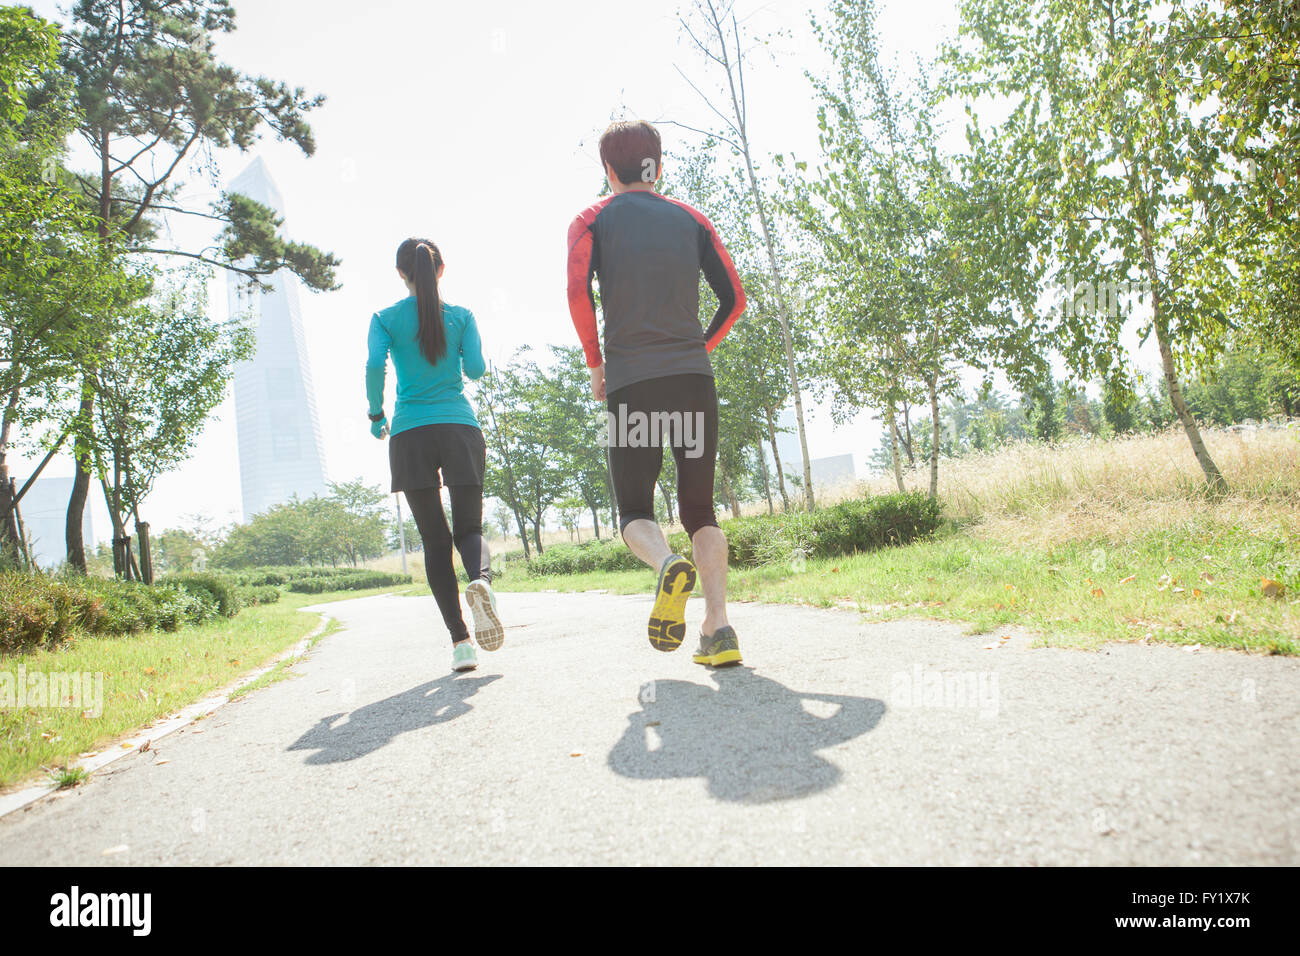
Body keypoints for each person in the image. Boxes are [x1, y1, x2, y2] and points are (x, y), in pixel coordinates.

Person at [566, 120, 747, 667]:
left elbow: (577, 292)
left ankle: (668, 564)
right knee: (699, 509)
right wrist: (700, 347)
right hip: (693, 380)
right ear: (658, 166)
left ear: (607, 170)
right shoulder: (692, 220)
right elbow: (734, 299)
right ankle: (719, 631)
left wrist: (596, 363)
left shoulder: (590, 221)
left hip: (630, 384)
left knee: (635, 512)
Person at [366, 237, 503, 673]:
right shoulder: (461, 317)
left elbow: (374, 366)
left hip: (409, 434)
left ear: (401, 274)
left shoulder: (384, 319)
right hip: (459, 427)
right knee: (469, 528)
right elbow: (476, 370)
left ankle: (461, 643)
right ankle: (480, 583)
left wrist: (375, 413)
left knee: (435, 541)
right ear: (441, 270)